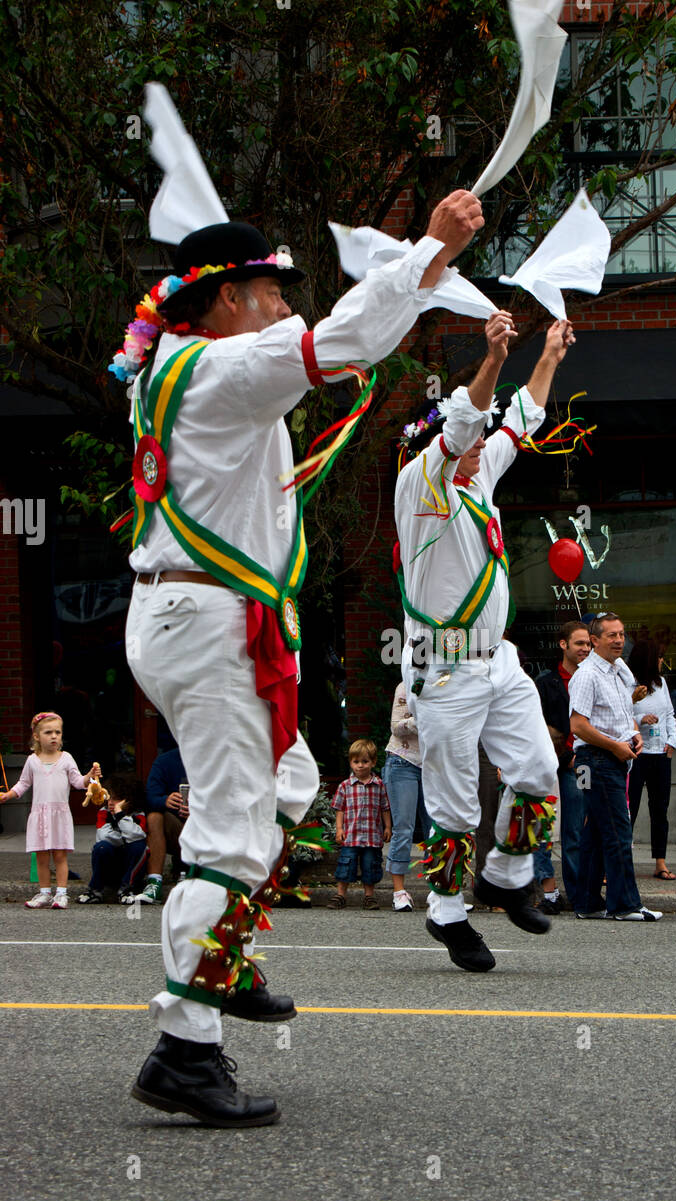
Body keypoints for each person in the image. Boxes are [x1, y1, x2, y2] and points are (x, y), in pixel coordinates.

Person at [124, 190, 485, 1126]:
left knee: (289, 783)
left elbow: (345, 335)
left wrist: (428, 267)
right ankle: (186, 1043)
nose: (286, 305)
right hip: (208, 625)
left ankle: (224, 958)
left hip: (187, 617)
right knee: (236, 827)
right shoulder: (219, 368)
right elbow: (341, 342)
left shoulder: (177, 368)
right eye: (272, 289)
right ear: (224, 301)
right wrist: (426, 251)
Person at [395, 317, 574, 971]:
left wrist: (548, 353)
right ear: (438, 442)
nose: (481, 446)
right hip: (443, 671)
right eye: (467, 440)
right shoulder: (420, 489)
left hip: (497, 662)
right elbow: (470, 418)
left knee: (538, 772)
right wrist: (494, 355)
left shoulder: (476, 482)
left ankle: (505, 871)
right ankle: (446, 911)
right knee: (454, 804)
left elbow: (520, 418)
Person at [569, 613, 662, 922]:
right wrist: (614, 745)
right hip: (595, 761)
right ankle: (624, 905)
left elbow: (624, 711)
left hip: (613, 757)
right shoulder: (587, 675)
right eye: (611, 635)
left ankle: (586, 902)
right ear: (595, 640)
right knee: (618, 832)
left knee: (595, 832)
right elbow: (578, 725)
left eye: (621, 634)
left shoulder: (617, 669)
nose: (619, 640)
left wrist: (633, 732)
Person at [0, 713, 100, 909]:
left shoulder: (66, 758)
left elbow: (78, 782)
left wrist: (89, 775)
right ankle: (45, 893)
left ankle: (61, 894)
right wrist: (8, 795)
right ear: (36, 736)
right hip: (39, 816)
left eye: (57, 732)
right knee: (42, 857)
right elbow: (23, 783)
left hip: (60, 815)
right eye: (48, 732)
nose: (54, 736)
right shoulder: (32, 760)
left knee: (60, 856)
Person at [533, 620, 591, 912]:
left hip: (581, 765)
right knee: (542, 827)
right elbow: (536, 725)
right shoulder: (545, 682)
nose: (584, 649)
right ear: (563, 644)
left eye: (588, 644)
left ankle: (578, 892)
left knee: (576, 829)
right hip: (547, 763)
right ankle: (548, 890)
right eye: (579, 643)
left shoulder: (592, 678)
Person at [626, 639, 676, 880]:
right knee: (631, 807)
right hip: (637, 753)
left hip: (661, 752)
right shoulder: (628, 683)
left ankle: (660, 861)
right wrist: (641, 717)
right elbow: (622, 711)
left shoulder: (661, 684)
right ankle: (623, 860)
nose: (662, 662)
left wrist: (673, 740)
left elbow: (669, 713)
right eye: (658, 657)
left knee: (660, 809)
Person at [383, 682, 429, 911]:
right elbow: (395, 726)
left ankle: (441, 892)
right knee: (404, 827)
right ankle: (399, 892)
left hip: (433, 765)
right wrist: (421, 721)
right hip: (403, 761)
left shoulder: (449, 684)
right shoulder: (406, 686)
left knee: (437, 829)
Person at [330, 739, 392, 909]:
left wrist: (387, 827)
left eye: (365, 761)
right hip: (351, 835)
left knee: (370, 866)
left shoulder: (379, 785)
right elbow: (340, 809)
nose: (360, 766)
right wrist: (340, 829)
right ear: (350, 763)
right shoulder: (345, 786)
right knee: (346, 864)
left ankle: (369, 896)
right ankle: (341, 894)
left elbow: (385, 808)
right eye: (356, 762)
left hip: (372, 836)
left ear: (373, 762)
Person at [77, 774, 148, 905]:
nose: (110, 803)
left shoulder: (138, 814)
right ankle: (95, 890)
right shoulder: (104, 812)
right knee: (102, 847)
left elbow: (137, 836)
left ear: (128, 800)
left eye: (116, 799)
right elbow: (104, 836)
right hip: (111, 865)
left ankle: (127, 889)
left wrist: (120, 815)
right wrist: (125, 838)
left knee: (139, 846)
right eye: (109, 798)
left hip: (130, 868)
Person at [136, 746, 189, 905]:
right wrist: (165, 800)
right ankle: (154, 882)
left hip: (206, 826)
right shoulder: (165, 761)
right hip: (175, 825)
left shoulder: (214, 760)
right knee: (154, 817)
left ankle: (190, 873)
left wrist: (200, 808)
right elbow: (150, 798)